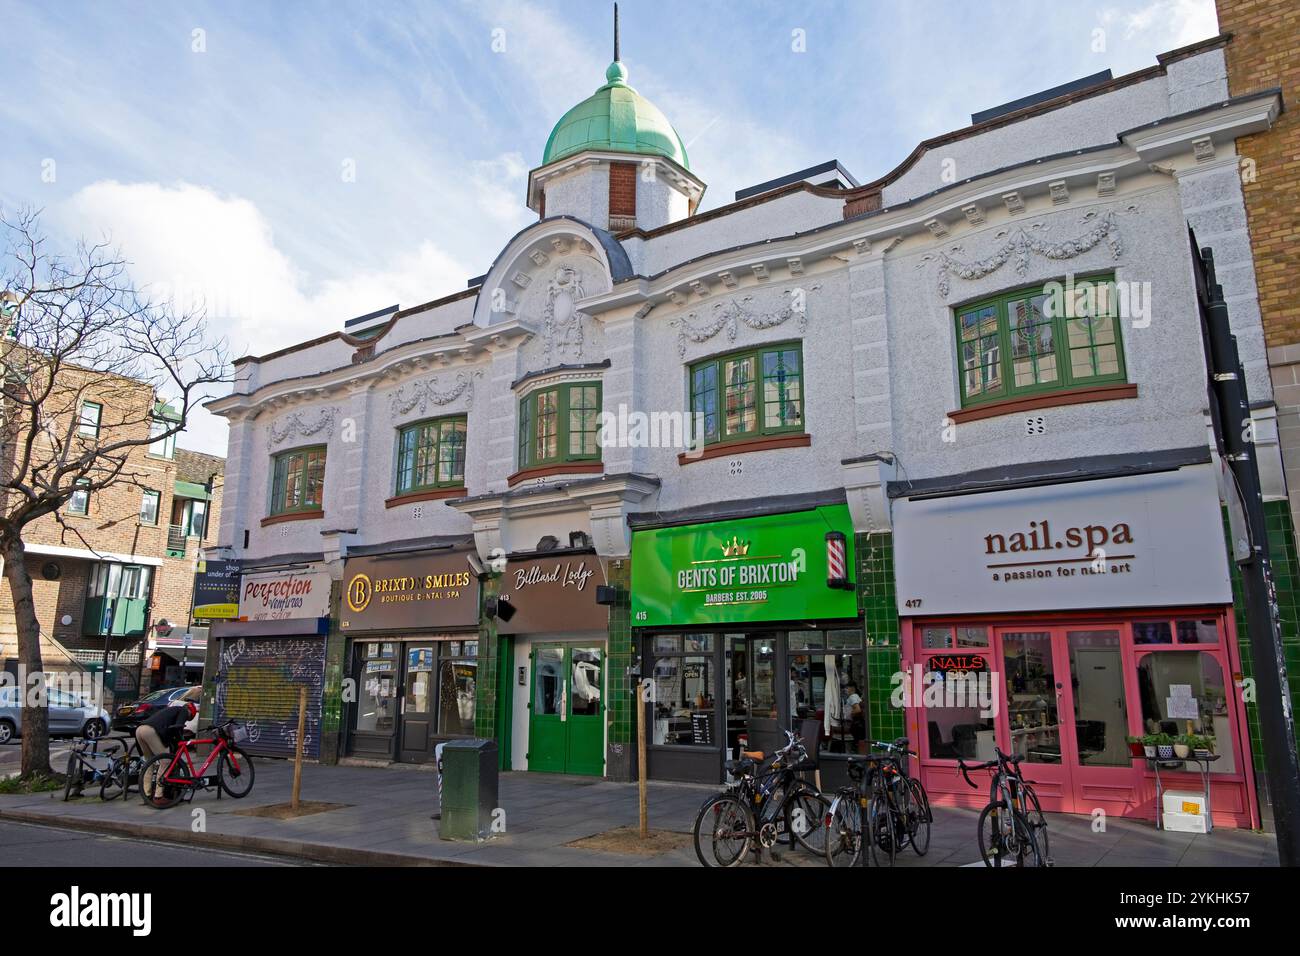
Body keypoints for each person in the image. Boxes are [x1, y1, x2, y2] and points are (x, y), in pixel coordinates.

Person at [137, 701, 197, 799]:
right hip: (151, 731)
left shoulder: (171, 710)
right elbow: (178, 727)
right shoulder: (184, 711)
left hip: (140, 729)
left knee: (149, 762)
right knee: (166, 762)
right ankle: (158, 795)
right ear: (191, 712)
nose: (186, 719)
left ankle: (146, 794)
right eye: (188, 718)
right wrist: (181, 742)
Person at [844, 682, 867, 753]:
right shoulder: (856, 696)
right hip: (858, 723)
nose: (845, 690)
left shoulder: (852, 697)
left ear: (852, 688)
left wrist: (850, 714)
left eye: (847, 688)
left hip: (854, 724)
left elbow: (857, 709)